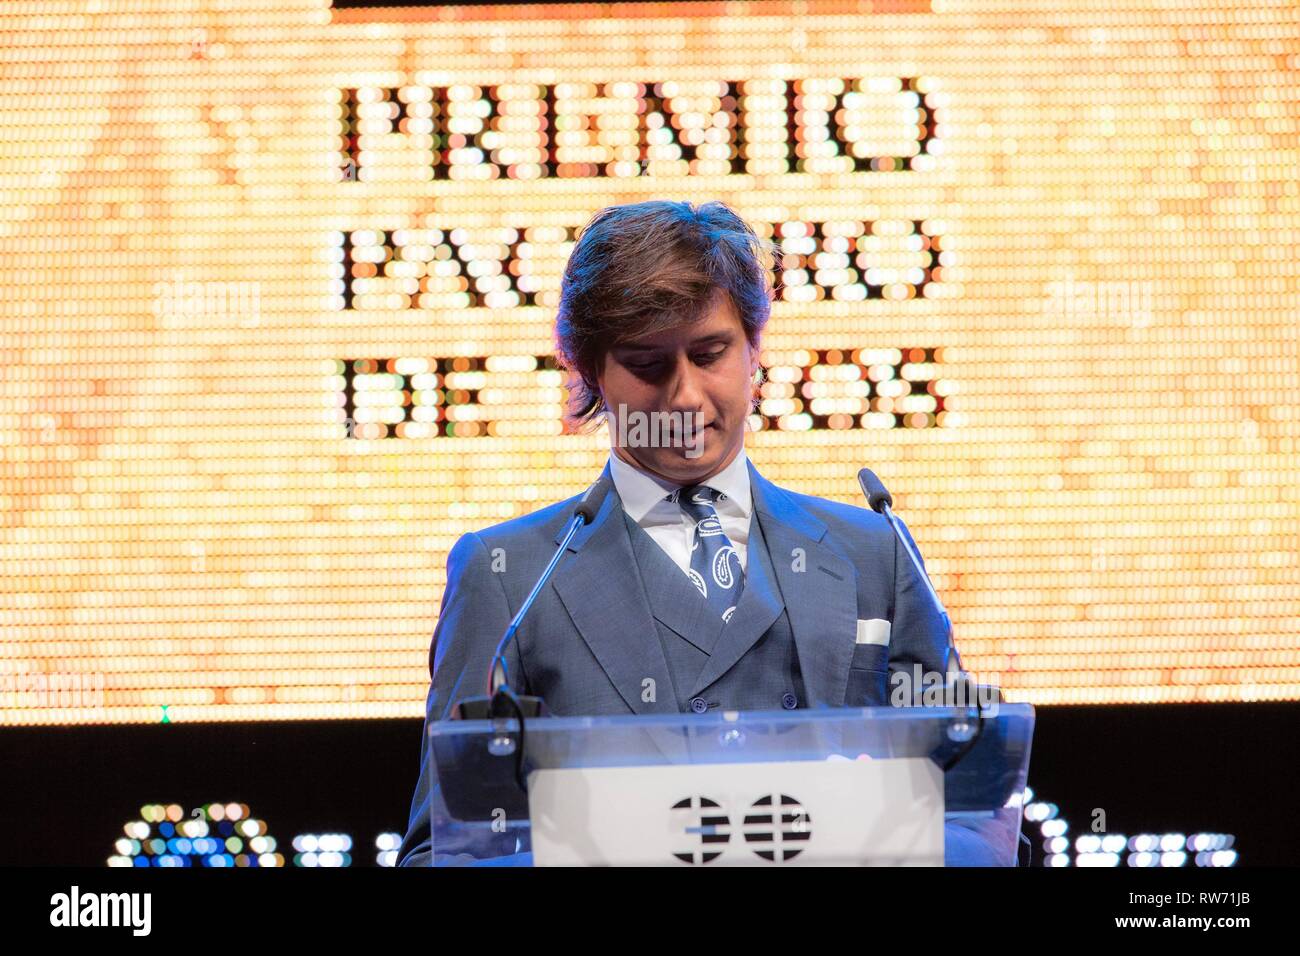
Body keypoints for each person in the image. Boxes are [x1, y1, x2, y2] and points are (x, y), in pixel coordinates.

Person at [396, 199, 1018, 866]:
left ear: (754, 351)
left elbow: (972, 810)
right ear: (590, 375)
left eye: (709, 353)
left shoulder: (875, 557)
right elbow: (443, 850)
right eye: (648, 364)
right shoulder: (508, 577)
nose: (685, 397)